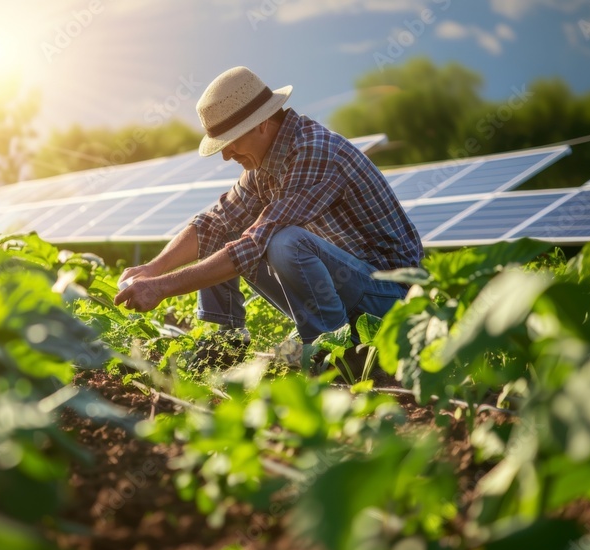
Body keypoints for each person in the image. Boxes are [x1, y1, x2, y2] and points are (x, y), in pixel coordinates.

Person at [114, 66, 422, 370]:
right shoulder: (263, 164)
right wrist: (152, 269)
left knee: (285, 242)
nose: (226, 154)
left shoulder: (314, 151)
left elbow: (255, 242)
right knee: (225, 232)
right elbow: (215, 222)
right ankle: (228, 341)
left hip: (390, 299)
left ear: (261, 123)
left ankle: (336, 354)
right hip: (349, 295)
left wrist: (162, 288)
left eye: (231, 139)